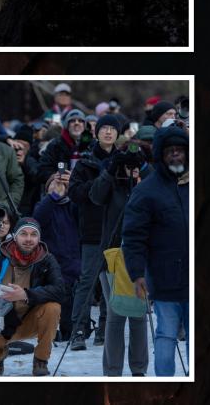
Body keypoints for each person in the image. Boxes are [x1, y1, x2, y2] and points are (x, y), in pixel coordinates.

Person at [123, 126, 190, 377]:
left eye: (180, 151)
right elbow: (133, 236)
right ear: (161, 155)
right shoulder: (146, 190)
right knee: (166, 335)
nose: (176, 156)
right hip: (165, 278)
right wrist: (137, 274)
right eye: (170, 152)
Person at [0, 218, 67, 376]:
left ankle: (41, 360)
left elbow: (60, 291)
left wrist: (25, 294)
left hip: (30, 319)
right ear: (15, 236)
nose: (29, 239)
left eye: (33, 234)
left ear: (39, 238)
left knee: (52, 308)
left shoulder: (47, 259)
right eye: (24, 234)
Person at [90, 142, 149, 376]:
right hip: (112, 254)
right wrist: (111, 167)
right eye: (127, 166)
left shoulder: (148, 184)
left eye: (135, 166)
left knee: (138, 314)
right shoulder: (112, 183)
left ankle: (139, 371)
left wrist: (143, 172)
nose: (130, 170)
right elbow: (94, 196)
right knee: (116, 313)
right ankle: (112, 371)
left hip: (141, 256)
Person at [65, 114, 123, 349]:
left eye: (113, 128)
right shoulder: (85, 162)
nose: (108, 132)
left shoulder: (123, 160)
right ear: (96, 132)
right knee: (87, 281)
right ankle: (78, 329)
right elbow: (75, 193)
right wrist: (100, 184)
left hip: (117, 230)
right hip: (91, 230)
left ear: (118, 134)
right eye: (104, 128)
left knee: (113, 283)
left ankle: (105, 328)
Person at [33, 173, 81, 343]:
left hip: (72, 259)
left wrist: (73, 186)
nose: (59, 187)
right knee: (52, 296)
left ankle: (69, 330)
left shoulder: (72, 205)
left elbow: (82, 214)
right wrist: (53, 196)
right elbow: (38, 218)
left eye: (62, 185)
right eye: (54, 184)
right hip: (50, 261)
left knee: (69, 297)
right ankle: (49, 328)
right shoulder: (44, 205)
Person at [10, 124, 42, 217]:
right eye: (18, 143)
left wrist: (25, 162)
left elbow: (37, 175)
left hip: (25, 207)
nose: (20, 148)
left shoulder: (32, 160)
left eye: (24, 146)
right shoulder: (6, 156)